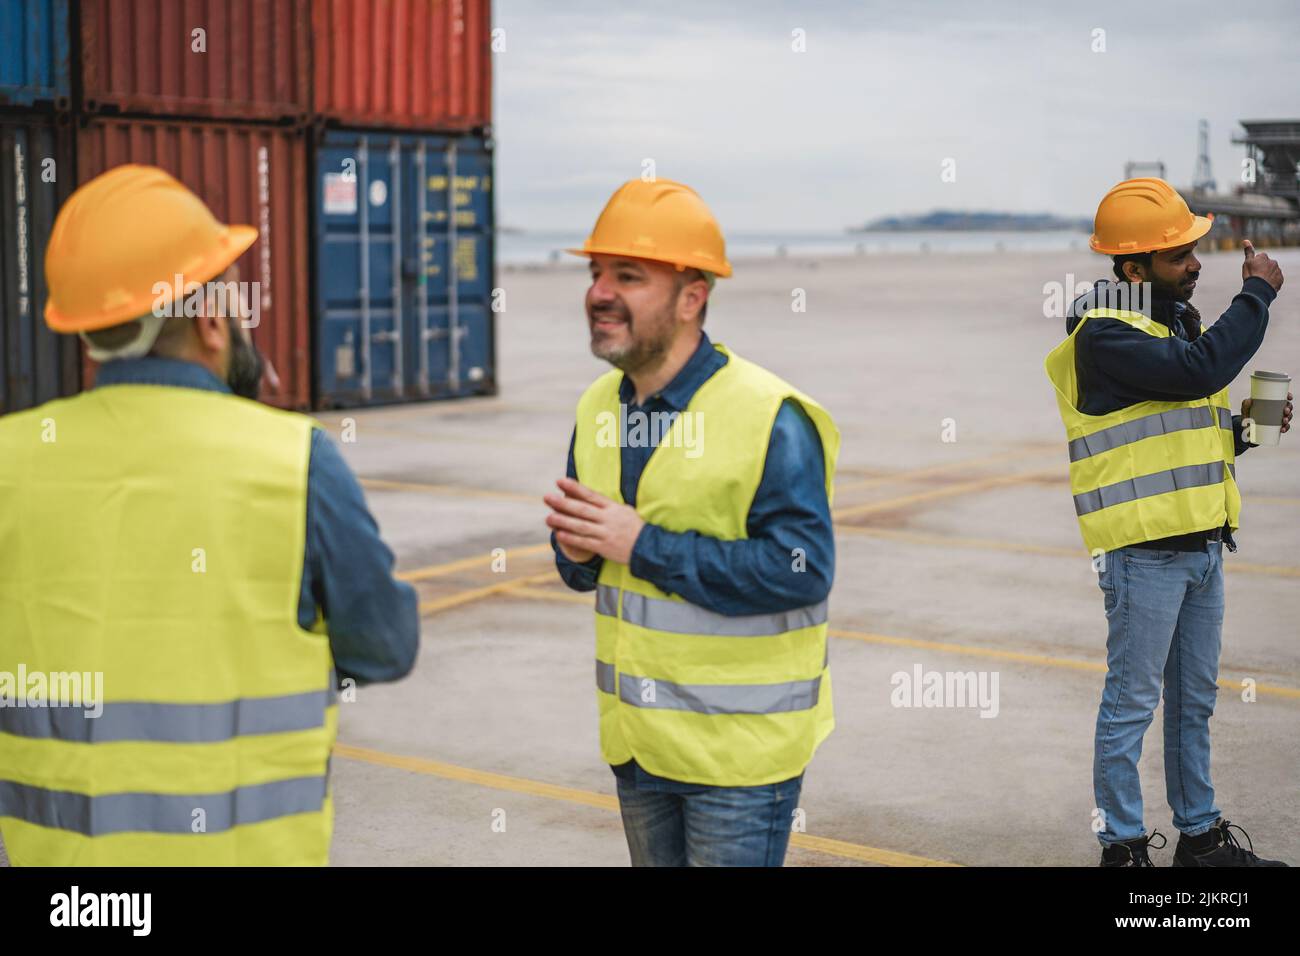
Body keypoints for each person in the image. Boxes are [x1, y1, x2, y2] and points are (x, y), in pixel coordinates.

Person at [0, 164, 419, 865]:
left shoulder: (12, 458)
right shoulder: (297, 462)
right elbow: (383, 645)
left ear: (89, 334)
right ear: (209, 320)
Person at [545, 178, 839, 866]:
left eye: (628, 275)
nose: (599, 292)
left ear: (691, 297)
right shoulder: (598, 406)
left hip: (738, 759)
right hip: (638, 744)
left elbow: (802, 571)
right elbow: (583, 568)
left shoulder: (770, 414)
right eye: (595, 273)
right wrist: (579, 552)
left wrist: (640, 544)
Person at [1044, 178, 1291, 867]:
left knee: (1193, 703)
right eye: (1179, 254)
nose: (1195, 263)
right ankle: (1121, 849)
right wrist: (1257, 295)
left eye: (1193, 249)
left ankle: (1201, 839)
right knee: (1131, 705)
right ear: (1132, 269)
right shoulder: (1105, 334)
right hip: (1143, 553)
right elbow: (1199, 369)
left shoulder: (1169, 324)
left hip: (1202, 545)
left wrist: (1239, 431)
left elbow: (1175, 421)